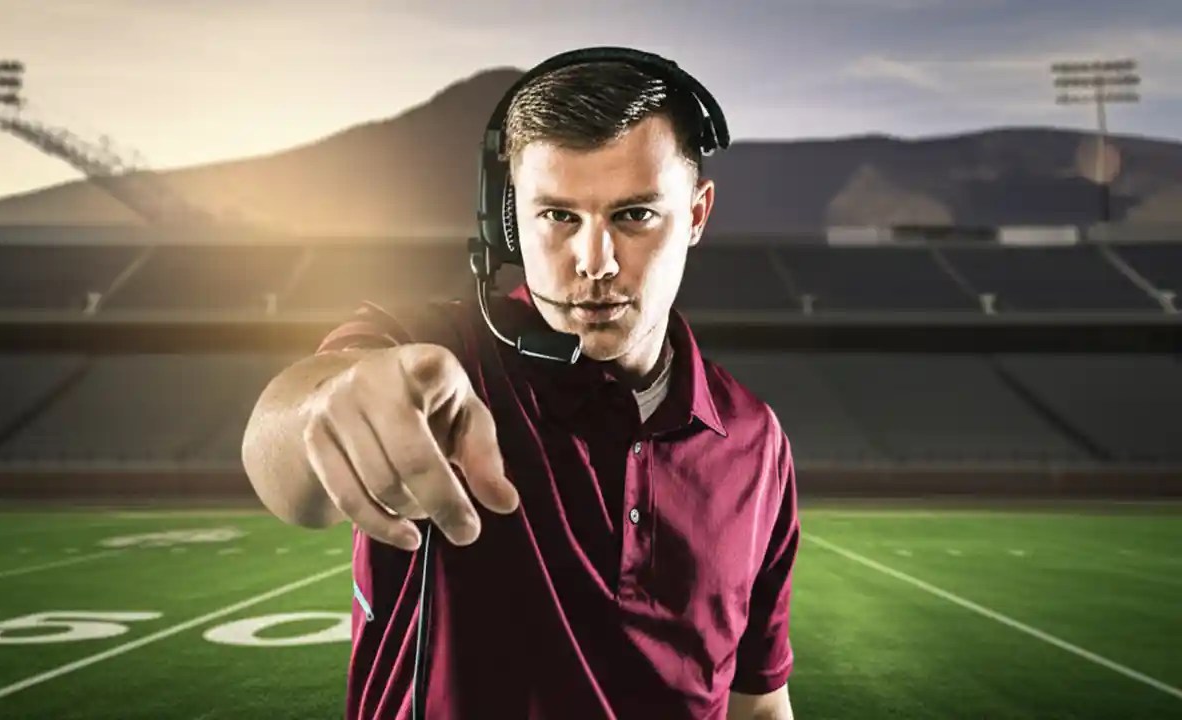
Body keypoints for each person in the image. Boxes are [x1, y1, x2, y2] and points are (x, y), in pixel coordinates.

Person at [242, 47, 799, 720]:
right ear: (508, 222)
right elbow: (287, 453)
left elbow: (759, 705)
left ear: (698, 215)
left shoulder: (755, 439)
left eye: (635, 215)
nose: (595, 262)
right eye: (558, 216)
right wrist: (329, 406)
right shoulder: (430, 353)